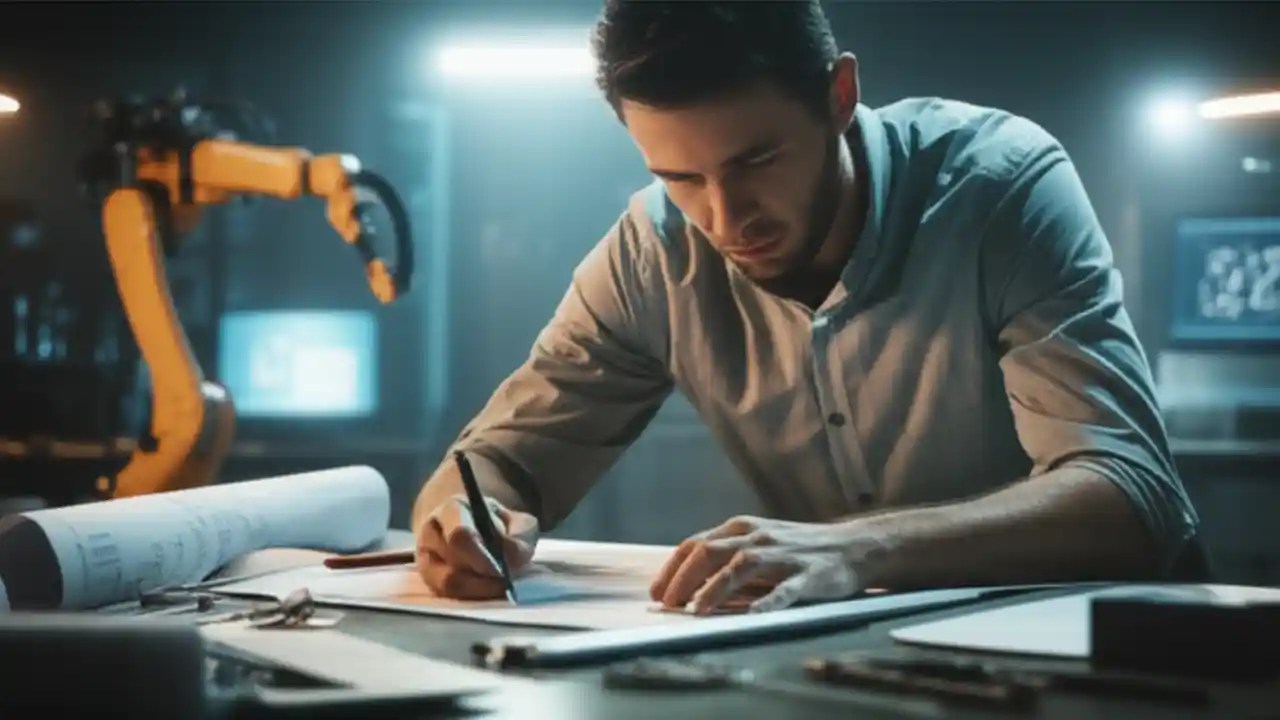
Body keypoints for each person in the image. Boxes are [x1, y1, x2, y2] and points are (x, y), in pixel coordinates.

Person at [411, 0, 1202, 614]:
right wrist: (466, 523)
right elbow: (491, 468)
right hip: (866, 661)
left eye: (756, 160)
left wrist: (860, 549)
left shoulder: (1001, 189)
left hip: (1126, 661)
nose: (725, 218)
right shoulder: (651, 251)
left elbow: (1133, 497)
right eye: (680, 179)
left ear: (840, 95)